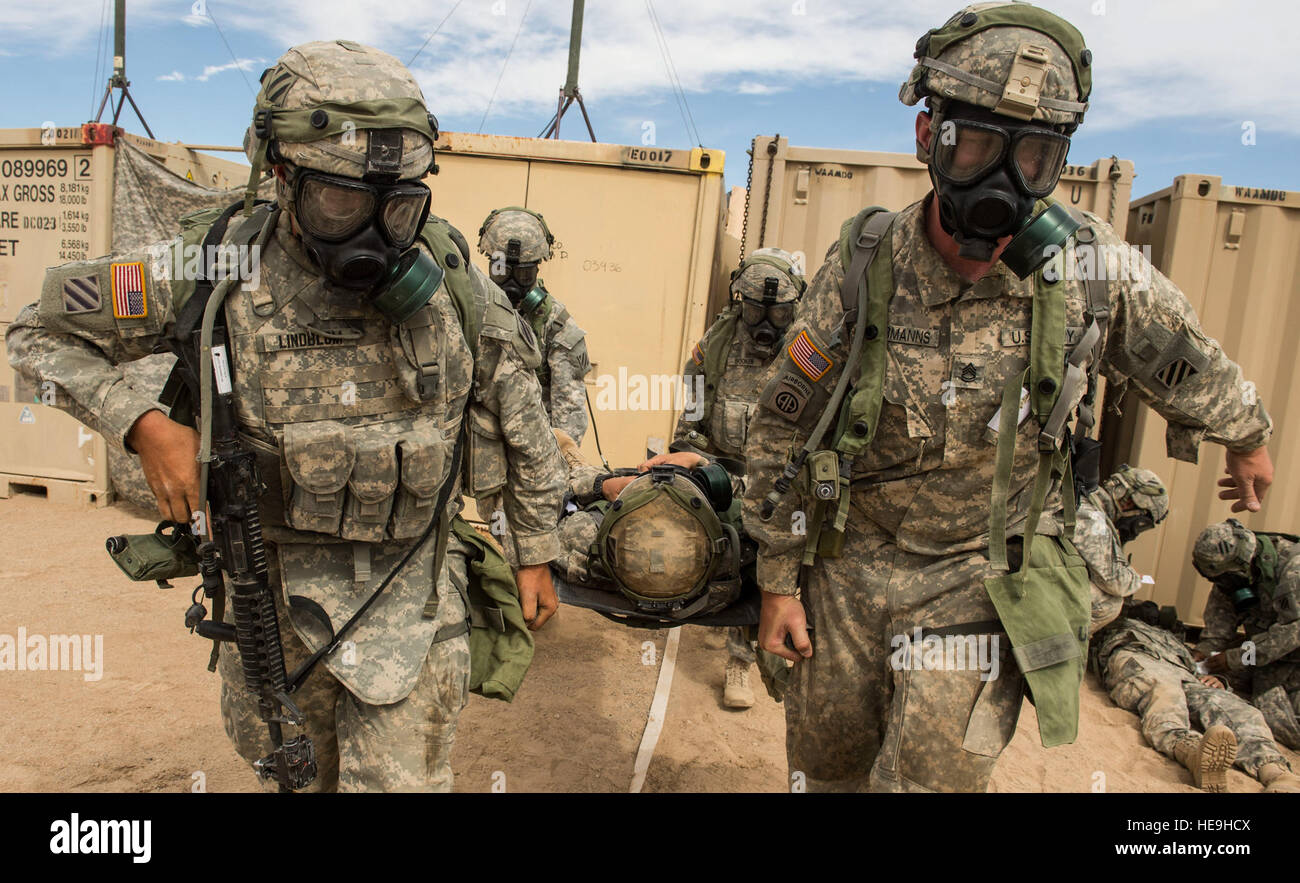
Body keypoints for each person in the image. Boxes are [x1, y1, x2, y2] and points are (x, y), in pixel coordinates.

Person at [743, 2, 1276, 792]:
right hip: (849, 566)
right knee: (826, 772)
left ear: (1058, 162)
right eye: (978, 145)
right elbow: (780, 426)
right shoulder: (864, 262)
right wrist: (778, 580)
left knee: (930, 784)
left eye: (1033, 156)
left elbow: (1184, 358)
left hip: (980, 577)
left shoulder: (1088, 268)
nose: (1002, 180)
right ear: (930, 138)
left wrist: (1248, 433)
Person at [6, 40, 565, 792]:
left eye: (397, 207)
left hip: (413, 603)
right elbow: (32, 332)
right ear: (279, 175)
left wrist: (536, 546)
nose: (372, 233)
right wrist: (142, 424)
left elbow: (520, 405)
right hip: (273, 610)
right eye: (339, 201)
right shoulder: (215, 269)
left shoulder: (449, 283)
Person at [674, 248, 805, 707]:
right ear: (738, 301)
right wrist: (689, 453)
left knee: (766, 561)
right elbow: (693, 400)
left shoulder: (806, 348)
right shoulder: (719, 341)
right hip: (726, 468)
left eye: (778, 310)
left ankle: (740, 661)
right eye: (755, 308)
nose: (766, 320)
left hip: (781, 481)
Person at [1092, 608, 1300, 792]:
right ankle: (1192, 752)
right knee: (1163, 695)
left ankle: (1275, 771)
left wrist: (1217, 680)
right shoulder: (1118, 626)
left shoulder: (1174, 640)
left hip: (1184, 669)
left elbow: (1202, 664)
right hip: (1135, 654)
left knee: (1237, 709)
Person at [477, 207, 592, 443]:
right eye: (500, 270)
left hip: (533, 444)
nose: (510, 284)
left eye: (524, 274)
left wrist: (559, 462)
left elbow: (570, 413)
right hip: (481, 438)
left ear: (537, 268)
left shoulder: (555, 323)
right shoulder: (474, 309)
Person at [1193, 519, 1300, 748]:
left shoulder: (1294, 571)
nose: (1220, 585)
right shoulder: (1233, 574)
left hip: (1290, 655)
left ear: (1241, 566)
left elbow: (1287, 637)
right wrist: (1205, 651)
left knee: (1277, 715)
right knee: (1207, 681)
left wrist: (1233, 658)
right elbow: (1220, 623)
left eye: (1224, 579)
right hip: (1267, 656)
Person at [1073, 465, 1168, 635]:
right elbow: (1115, 582)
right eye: (1142, 523)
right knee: (1109, 603)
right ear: (1130, 502)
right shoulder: (1091, 516)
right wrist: (1135, 578)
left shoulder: (1088, 502)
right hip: (1030, 578)